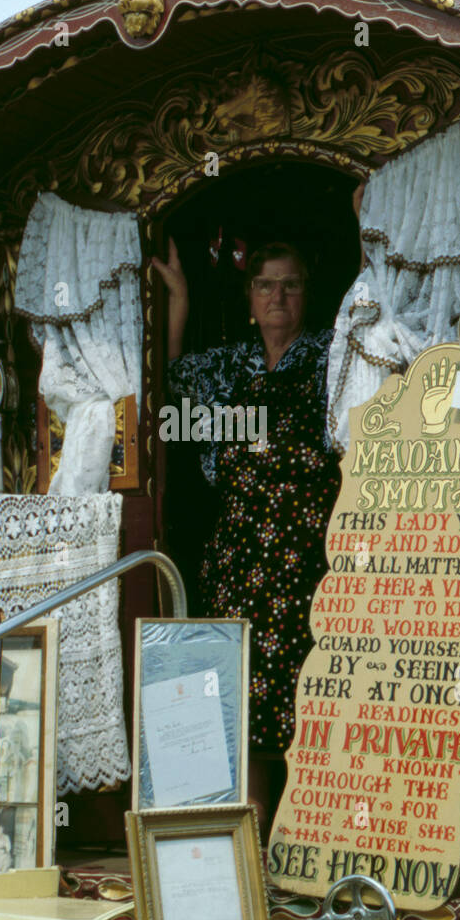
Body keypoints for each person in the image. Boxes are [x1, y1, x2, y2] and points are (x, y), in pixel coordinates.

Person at [153, 207, 365, 822]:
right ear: (249, 295)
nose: (279, 295)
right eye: (266, 283)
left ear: (307, 294)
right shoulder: (230, 364)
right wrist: (180, 303)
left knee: (305, 694)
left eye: (291, 284)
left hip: (308, 557)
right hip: (241, 557)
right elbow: (174, 392)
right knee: (242, 696)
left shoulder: (333, 356)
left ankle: (301, 837)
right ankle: (248, 835)